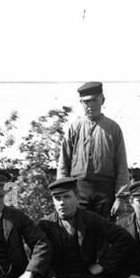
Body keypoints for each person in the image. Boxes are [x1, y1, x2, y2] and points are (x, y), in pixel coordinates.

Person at [54, 81, 131, 217]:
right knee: (79, 233)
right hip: (78, 189)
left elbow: (122, 165)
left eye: (94, 100)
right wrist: (63, 192)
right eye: (85, 102)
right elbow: (63, 164)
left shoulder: (113, 129)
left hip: (105, 191)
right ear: (81, 103)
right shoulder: (74, 128)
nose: (90, 105)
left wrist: (120, 198)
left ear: (102, 100)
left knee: (105, 233)